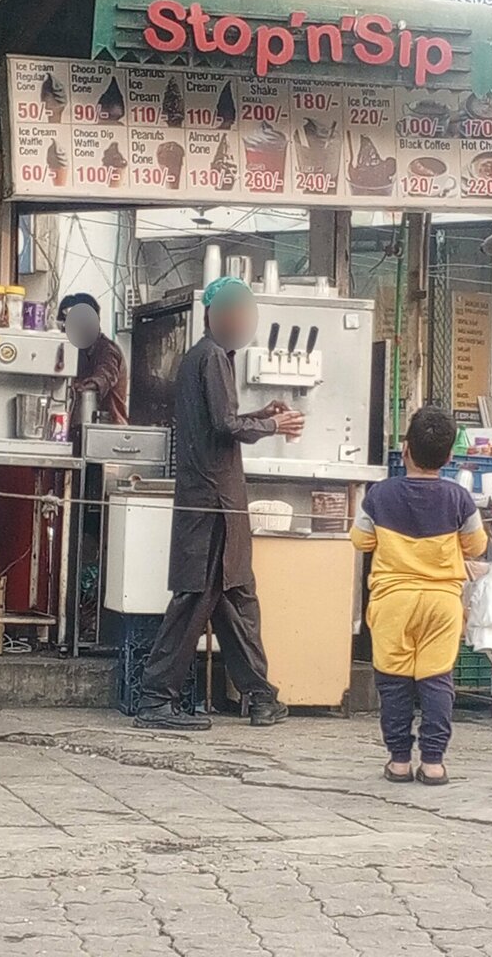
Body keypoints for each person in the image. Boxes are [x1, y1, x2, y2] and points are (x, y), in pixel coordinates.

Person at [133, 277, 305, 731]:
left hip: (220, 502)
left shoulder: (212, 358)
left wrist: (264, 417)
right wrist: (273, 426)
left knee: (236, 598)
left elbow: (224, 421)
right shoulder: (208, 357)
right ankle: (155, 698)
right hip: (211, 504)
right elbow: (225, 425)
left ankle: (260, 695)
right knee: (197, 599)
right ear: (216, 315)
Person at [351, 407, 487, 785]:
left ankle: (398, 761)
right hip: (442, 603)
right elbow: (476, 546)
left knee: (394, 682)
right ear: (448, 458)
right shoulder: (460, 498)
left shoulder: (379, 494)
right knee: (436, 681)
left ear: (405, 449)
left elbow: (361, 540)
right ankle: (433, 763)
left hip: (392, 601)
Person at [57, 293, 128, 424]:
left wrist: (80, 387)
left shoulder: (107, 349)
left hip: (106, 430)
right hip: (75, 426)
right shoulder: (74, 350)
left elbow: (104, 376)